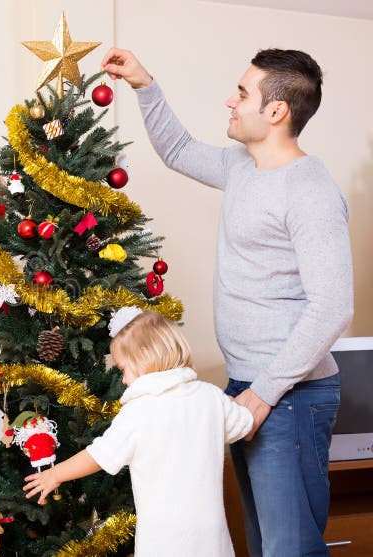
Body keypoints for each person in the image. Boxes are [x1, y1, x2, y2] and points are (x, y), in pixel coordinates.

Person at [100, 47, 354, 556]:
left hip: (288, 396)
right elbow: (177, 150)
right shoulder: (243, 166)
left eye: (242, 93)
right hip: (248, 386)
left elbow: (332, 307)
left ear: (276, 111)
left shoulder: (310, 190)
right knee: (261, 544)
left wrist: (263, 395)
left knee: (289, 549)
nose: (230, 102)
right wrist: (145, 85)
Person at [23, 309, 253, 557]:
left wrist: (55, 474)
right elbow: (245, 423)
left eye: (123, 369)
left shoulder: (138, 412)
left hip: (164, 543)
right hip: (211, 541)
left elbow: (98, 456)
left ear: (143, 356)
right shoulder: (209, 396)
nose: (123, 380)